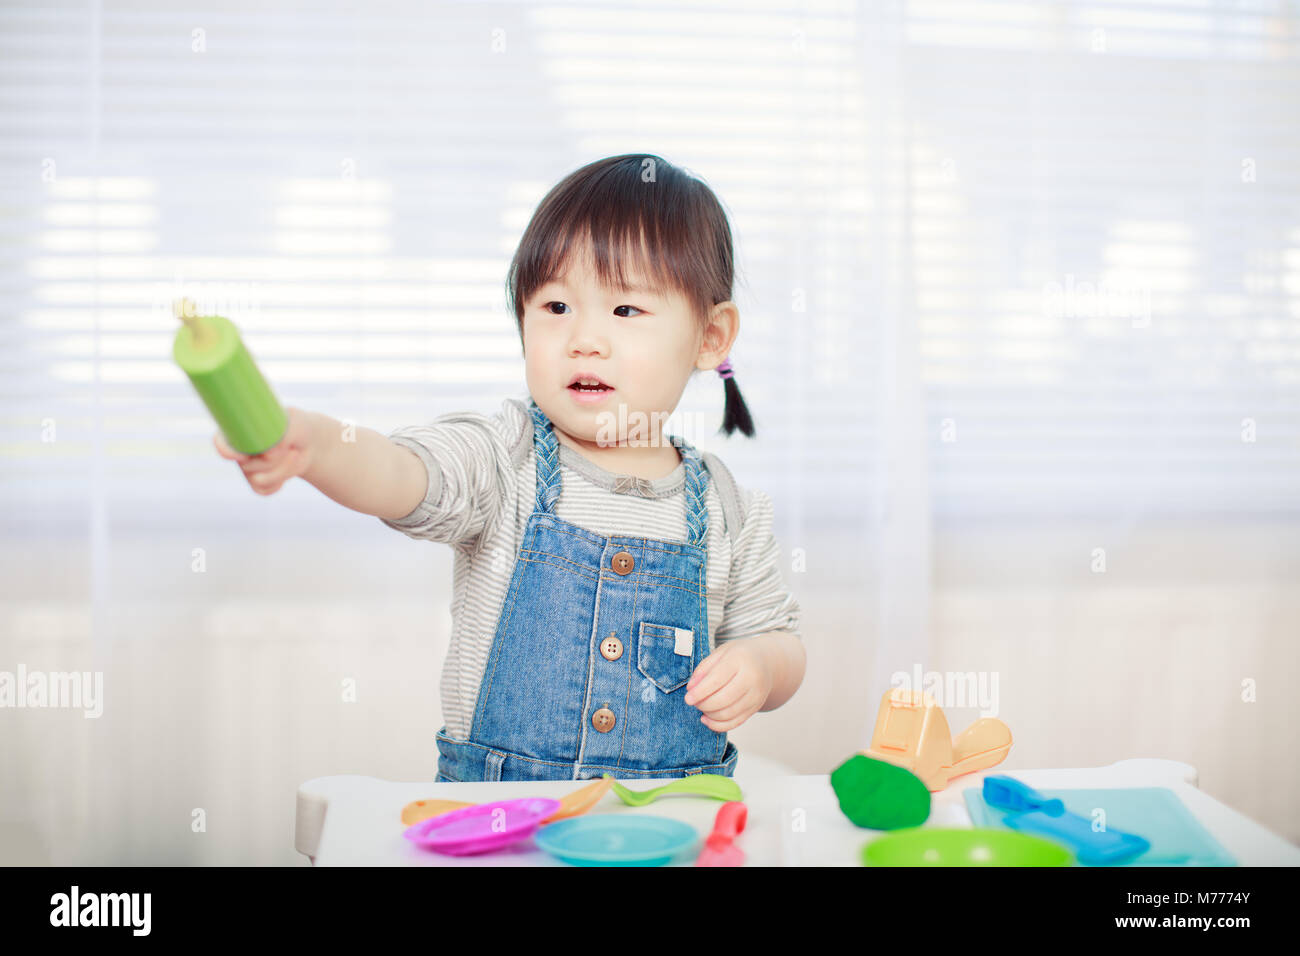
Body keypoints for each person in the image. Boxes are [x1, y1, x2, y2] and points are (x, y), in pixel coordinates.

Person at [214, 154, 805, 781]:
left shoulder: (728, 509)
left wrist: (761, 667)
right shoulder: (504, 458)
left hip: (669, 827)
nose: (584, 338)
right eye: (555, 307)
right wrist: (320, 445)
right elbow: (401, 475)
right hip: (502, 824)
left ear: (711, 337)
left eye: (625, 311)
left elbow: (780, 639)